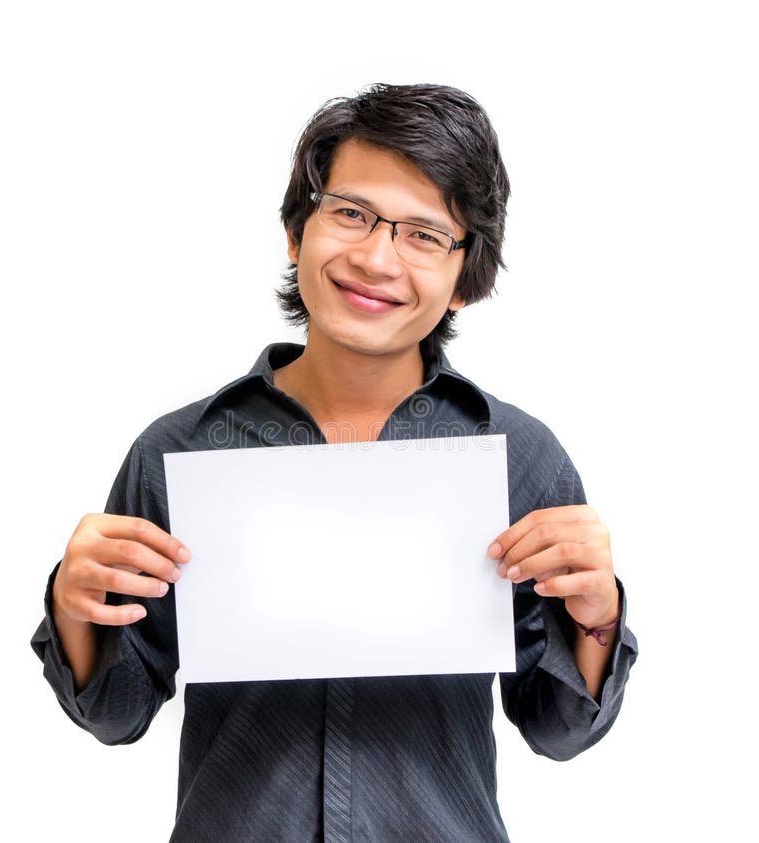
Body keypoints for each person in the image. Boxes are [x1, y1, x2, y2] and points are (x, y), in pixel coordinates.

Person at [32, 83, 638, 841]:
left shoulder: (517, 457)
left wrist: (598, 616)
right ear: (297, 231)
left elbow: (560, 731)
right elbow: (117, 714)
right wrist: (73, 605)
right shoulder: (179, 451)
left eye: (424, 234)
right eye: (350, 213)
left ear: (465, 277)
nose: (376, 258)